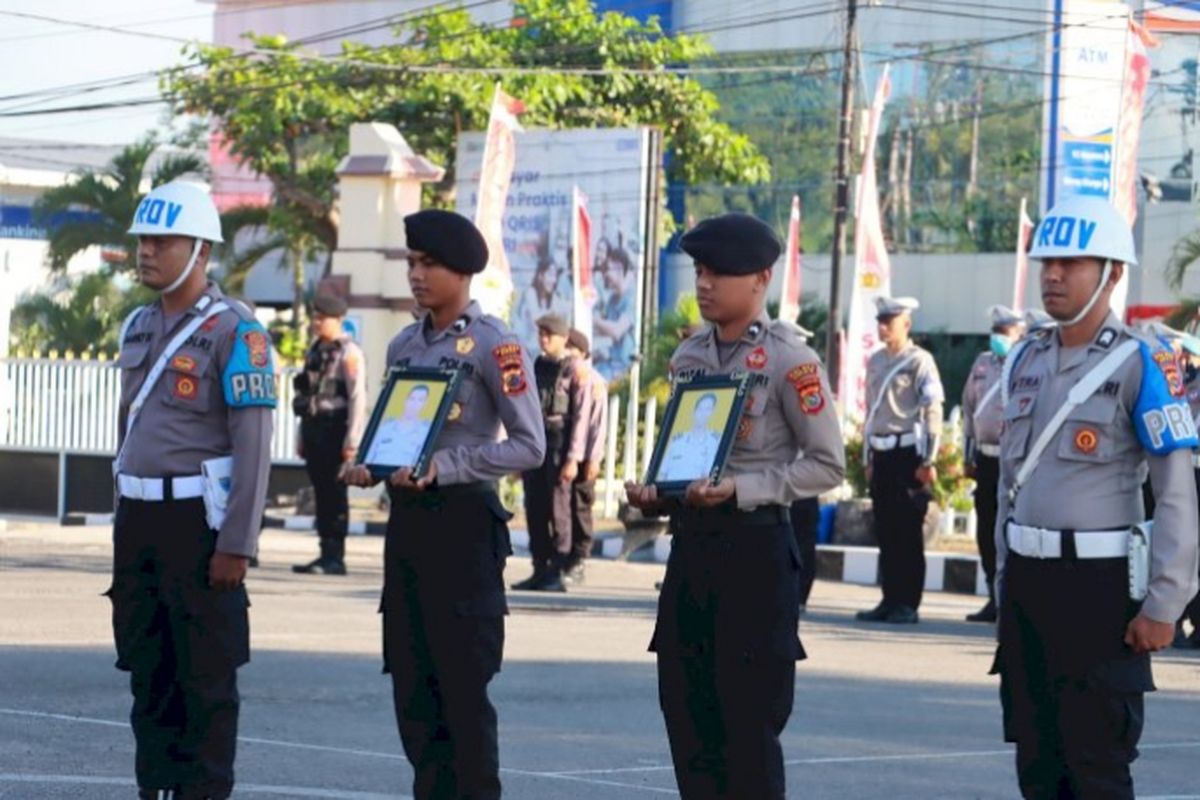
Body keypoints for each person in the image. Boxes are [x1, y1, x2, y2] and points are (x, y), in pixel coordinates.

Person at [625, 213, 845, 799]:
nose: (703, 284)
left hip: (756, 554)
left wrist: (745, 489)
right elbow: (683, 453)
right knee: (688, 720)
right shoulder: (690, 357)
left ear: (760, 279)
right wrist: (657, 491)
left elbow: (827, 463)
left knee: (746, 734)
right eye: (699, 271)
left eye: (719, 273)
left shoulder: (789, 361)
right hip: (693, 553)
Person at [992, 195, 1199, 799]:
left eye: (1073, 263)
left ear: (1112, 273)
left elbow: (1177, 492)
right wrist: (1006, 583)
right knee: (1037, 764)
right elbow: (1010, 483)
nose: (1053, 275)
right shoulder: (1026, 358)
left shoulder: (1143, 361)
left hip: (1100, 590)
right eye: (1047, 262)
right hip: (1030, 585)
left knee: (1097, 768)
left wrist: (1166, 601)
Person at [343, 208, 544, 800]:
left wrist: (444, 467)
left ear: (462, 271)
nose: (416, 274)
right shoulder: (405, 344)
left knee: (462, 689)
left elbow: (530, 446)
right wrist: (370, 466)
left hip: (463, 526)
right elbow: (395, 434)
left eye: (429, 263)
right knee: (411, 683)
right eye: (411, 262)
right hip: (409, 527)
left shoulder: (495, 345)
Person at [109, 181, 275, 800]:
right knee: (148, 678)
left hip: (197, 526)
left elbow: (253, 442)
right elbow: (130, 425)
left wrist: (237, 541)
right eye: (141, 241)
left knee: (205, 684)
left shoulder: (237, 332)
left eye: (160, 240)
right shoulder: (137, 325)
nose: (146, 251)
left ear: (200, 249)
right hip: (140, 523)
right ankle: (154, 790)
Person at [856, 296, 945, 625]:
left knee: (908, 532)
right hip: (881, 454)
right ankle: (889, 599)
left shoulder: (920, 361)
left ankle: (908, 603)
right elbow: (871, 411)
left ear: (905, 324)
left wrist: (929, 458)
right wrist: (868, 456)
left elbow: (933, 408)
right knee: (886, 530)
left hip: (909, 455)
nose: (882, 327)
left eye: (889, 321)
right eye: (880, 320)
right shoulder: (875, 360)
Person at [514, 313, 590, 592]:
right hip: (537, 444)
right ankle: (539, 567)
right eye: (541, 334)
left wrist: (574, 457)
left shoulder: (573, 369)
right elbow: (527, 409)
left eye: (549, 335)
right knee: (534, 507)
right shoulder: (536, 365)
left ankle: (558, 570)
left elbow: (581, 417)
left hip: (560, 444)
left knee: (559, 510)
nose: (544, 340)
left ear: (563, 338)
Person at [292, 293, 366, 576]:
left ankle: (336, 556)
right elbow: (308, 395)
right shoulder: (315, 350)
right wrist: (301, 435)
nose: (316, 321)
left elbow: (358, 397)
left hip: (336, 428)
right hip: (314, 427)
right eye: (315, 316)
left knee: (335, 493)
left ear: (338, 320)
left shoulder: (349, 353)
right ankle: (325, 551)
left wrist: (352, 440)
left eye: (322, 317)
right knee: (321, 491)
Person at [960, 304, 1025, 623]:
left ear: (1019, 334)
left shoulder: (1025, 363)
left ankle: (1010, 598)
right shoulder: (983, 364)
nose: (998, 337)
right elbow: (969, 409)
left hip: (1012, 461)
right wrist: (967, 455)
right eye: (996, 331)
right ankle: (992, 595)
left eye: (1005, 332)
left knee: (1009, 530)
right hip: (984, 458)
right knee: (986, 530)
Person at [564, 327, 608, 584]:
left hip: (583, 457)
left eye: (572, 349)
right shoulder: (564, 376)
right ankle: (564, 558)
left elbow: (596, 424)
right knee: (563, 510)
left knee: (580, 508)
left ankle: (579, 559)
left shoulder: (592, 380)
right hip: (563, 454)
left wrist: (593, 458)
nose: (568, 354)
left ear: (582, 352)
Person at [364, 383, 433, 469]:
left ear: (425, 404)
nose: (414, 404)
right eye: (412, 399)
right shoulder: (383, 429)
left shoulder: (425, 433)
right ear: (406, 400)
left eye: (420, 400)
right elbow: (367, 460)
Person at [658, 392, 723, 482]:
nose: (703, 414)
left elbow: (707, 478)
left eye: (708, 409)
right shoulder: (677, 441)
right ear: (694, 411)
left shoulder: (714, 442)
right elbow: (662, 474)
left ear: (712, 413)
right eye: (700, 409)